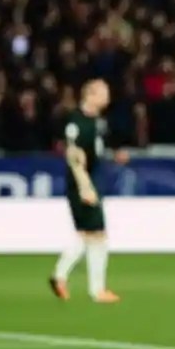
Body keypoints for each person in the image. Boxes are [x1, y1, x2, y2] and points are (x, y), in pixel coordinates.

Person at [49, 79, 128, 303]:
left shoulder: (97, 121)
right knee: (98, 235)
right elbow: (74, 158)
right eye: (103, 92)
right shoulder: (76, 123)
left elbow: (94, 149)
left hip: (91, 180)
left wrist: (113, 155)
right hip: (81, 184)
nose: (108, 96)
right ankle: (96, 290)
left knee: (87, 234)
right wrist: (85, 187)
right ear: (90, 95)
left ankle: (60, 276)